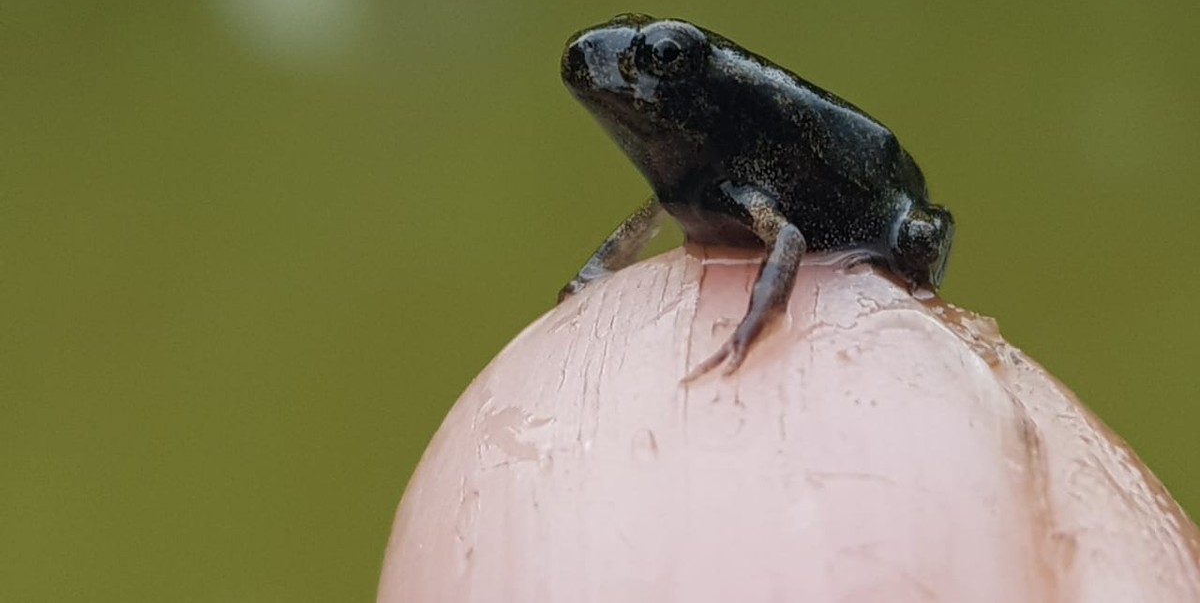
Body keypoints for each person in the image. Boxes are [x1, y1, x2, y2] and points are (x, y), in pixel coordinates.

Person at [378, 249, 1200, 602]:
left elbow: (792, 234)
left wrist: (753, 328)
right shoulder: (692, 177)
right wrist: (596, 274)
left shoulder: (743, 163)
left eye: (658, 62)